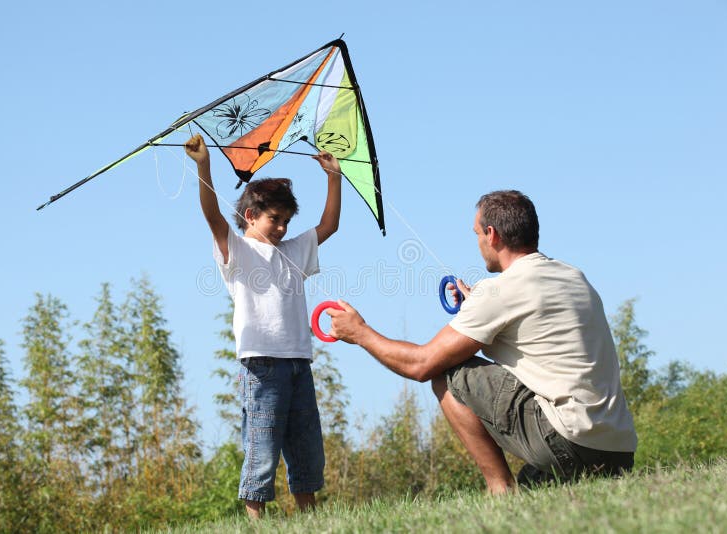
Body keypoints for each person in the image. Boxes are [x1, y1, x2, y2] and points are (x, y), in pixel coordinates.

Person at [327, 190, 637, 494]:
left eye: (476, 234)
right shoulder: (573, 276)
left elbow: (421, 364)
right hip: (618, 452)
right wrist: (475, 306)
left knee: (445, 373)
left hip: (568, 441)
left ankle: (499, 489)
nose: (477, 243)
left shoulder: (499, 291)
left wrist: (360, 332)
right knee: (534, 487)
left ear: (492, 234)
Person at [185, 134, 343, 517]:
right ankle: (256, 521)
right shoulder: (237, 250)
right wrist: (204, 167)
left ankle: (310, 517)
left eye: (287, 221)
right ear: (251, 215)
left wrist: (334, 178)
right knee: (262, 445)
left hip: (298, 363)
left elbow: (329, 225)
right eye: (275, 219)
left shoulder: (293, 252)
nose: (282, 229)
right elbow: (213, 217)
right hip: (261, 365)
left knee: (306, 446)